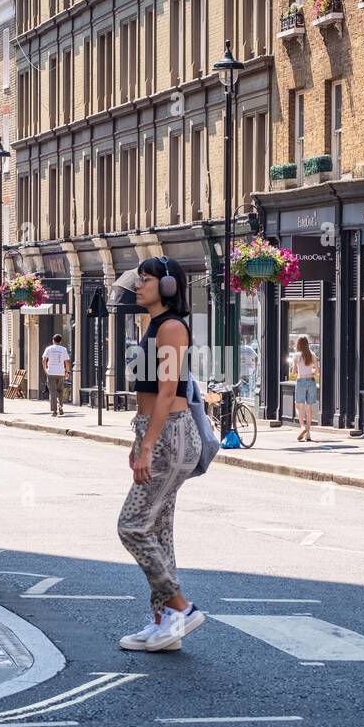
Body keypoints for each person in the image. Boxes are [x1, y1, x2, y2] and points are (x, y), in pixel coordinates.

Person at [116, 257, 205, 653]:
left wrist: (149, 445)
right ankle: (162, 621)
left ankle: (180, 607)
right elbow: (146, 395)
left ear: (168, 286)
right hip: (155, 429)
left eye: (147, 280)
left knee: (132, 525)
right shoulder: (151, 326)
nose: (139, 285)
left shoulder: (171, 327)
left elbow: (168, 393)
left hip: (172, 433)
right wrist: (139, 440)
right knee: (158, 528)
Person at [292, 336, 318, 442]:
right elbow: (317, 371)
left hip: (301, 381)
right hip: (311, 381)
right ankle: (308, 433)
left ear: (298, 344)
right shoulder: (312, 355)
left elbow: (293, 372)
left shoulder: (297, 356)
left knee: (298, 406)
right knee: (309, 408)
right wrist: (310, 370)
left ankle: (302, 427)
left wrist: (298, 371)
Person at [42, 333, 72, 416]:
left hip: (51, 372)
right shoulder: (63, 349)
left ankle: (54, 411)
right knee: (60, 391)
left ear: (53, 340)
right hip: (60, 373)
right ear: (60, 341)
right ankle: (60, 406)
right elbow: (67, 361)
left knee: (53, 392)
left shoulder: (49, 349)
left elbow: (44, 360)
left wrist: (45, 370)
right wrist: (67, 372)